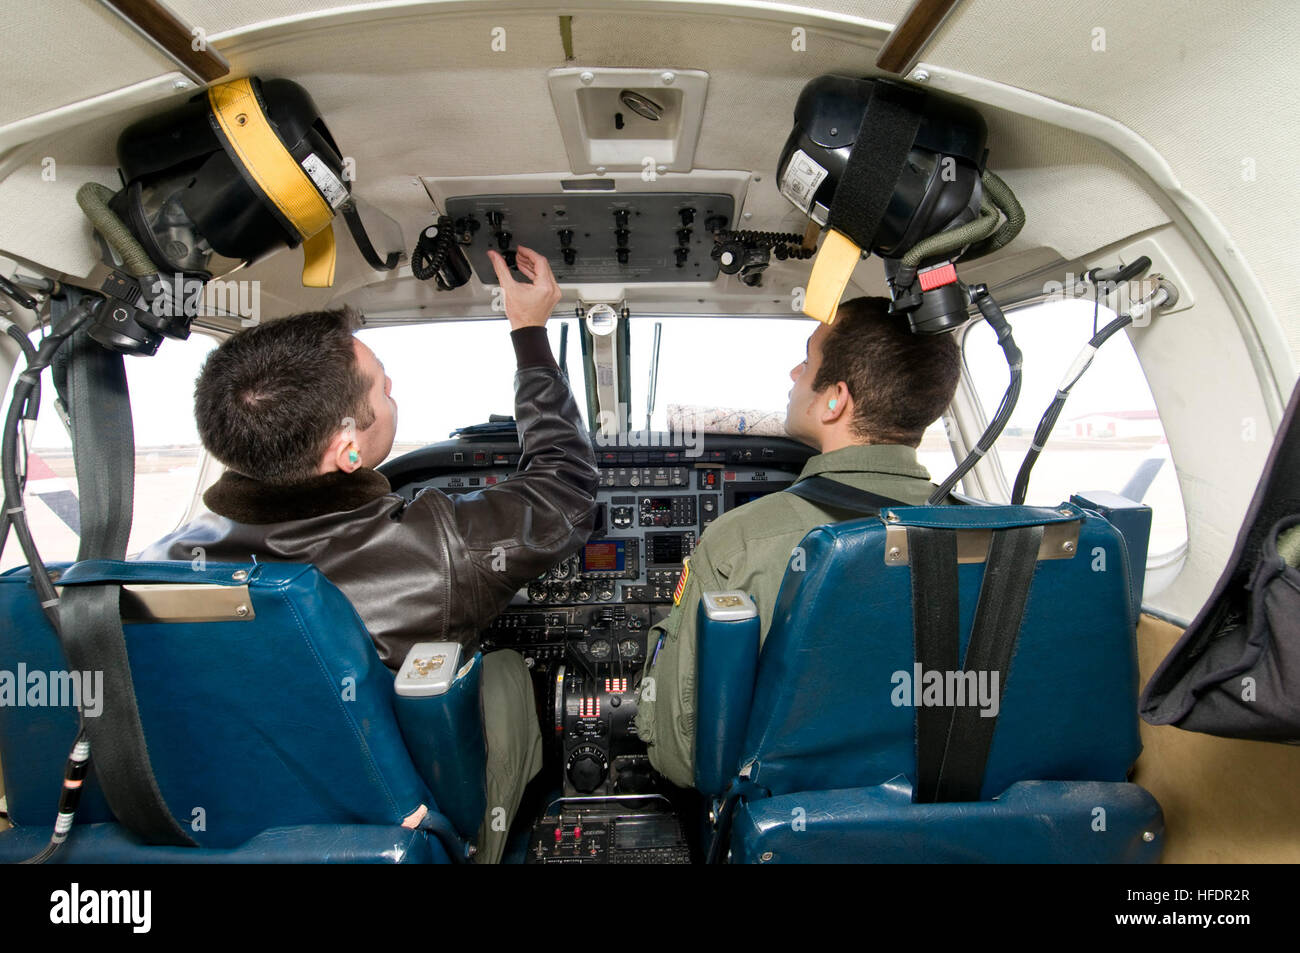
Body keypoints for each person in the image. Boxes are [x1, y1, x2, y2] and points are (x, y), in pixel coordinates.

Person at [139, 246, 598, 862]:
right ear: (347, 450)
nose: (392, 392)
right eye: (383, 388)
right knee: (509, 671)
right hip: (395, 833)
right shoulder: (439, 548)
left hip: (214, 825)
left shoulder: (153, 569)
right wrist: (530, 332)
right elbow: (565, 487)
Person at [635, 295, 962, 789]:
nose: (794, 372)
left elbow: (685, 758)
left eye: (807, 361)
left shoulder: (739, 543)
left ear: (836, 399)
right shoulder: (1012, 542)